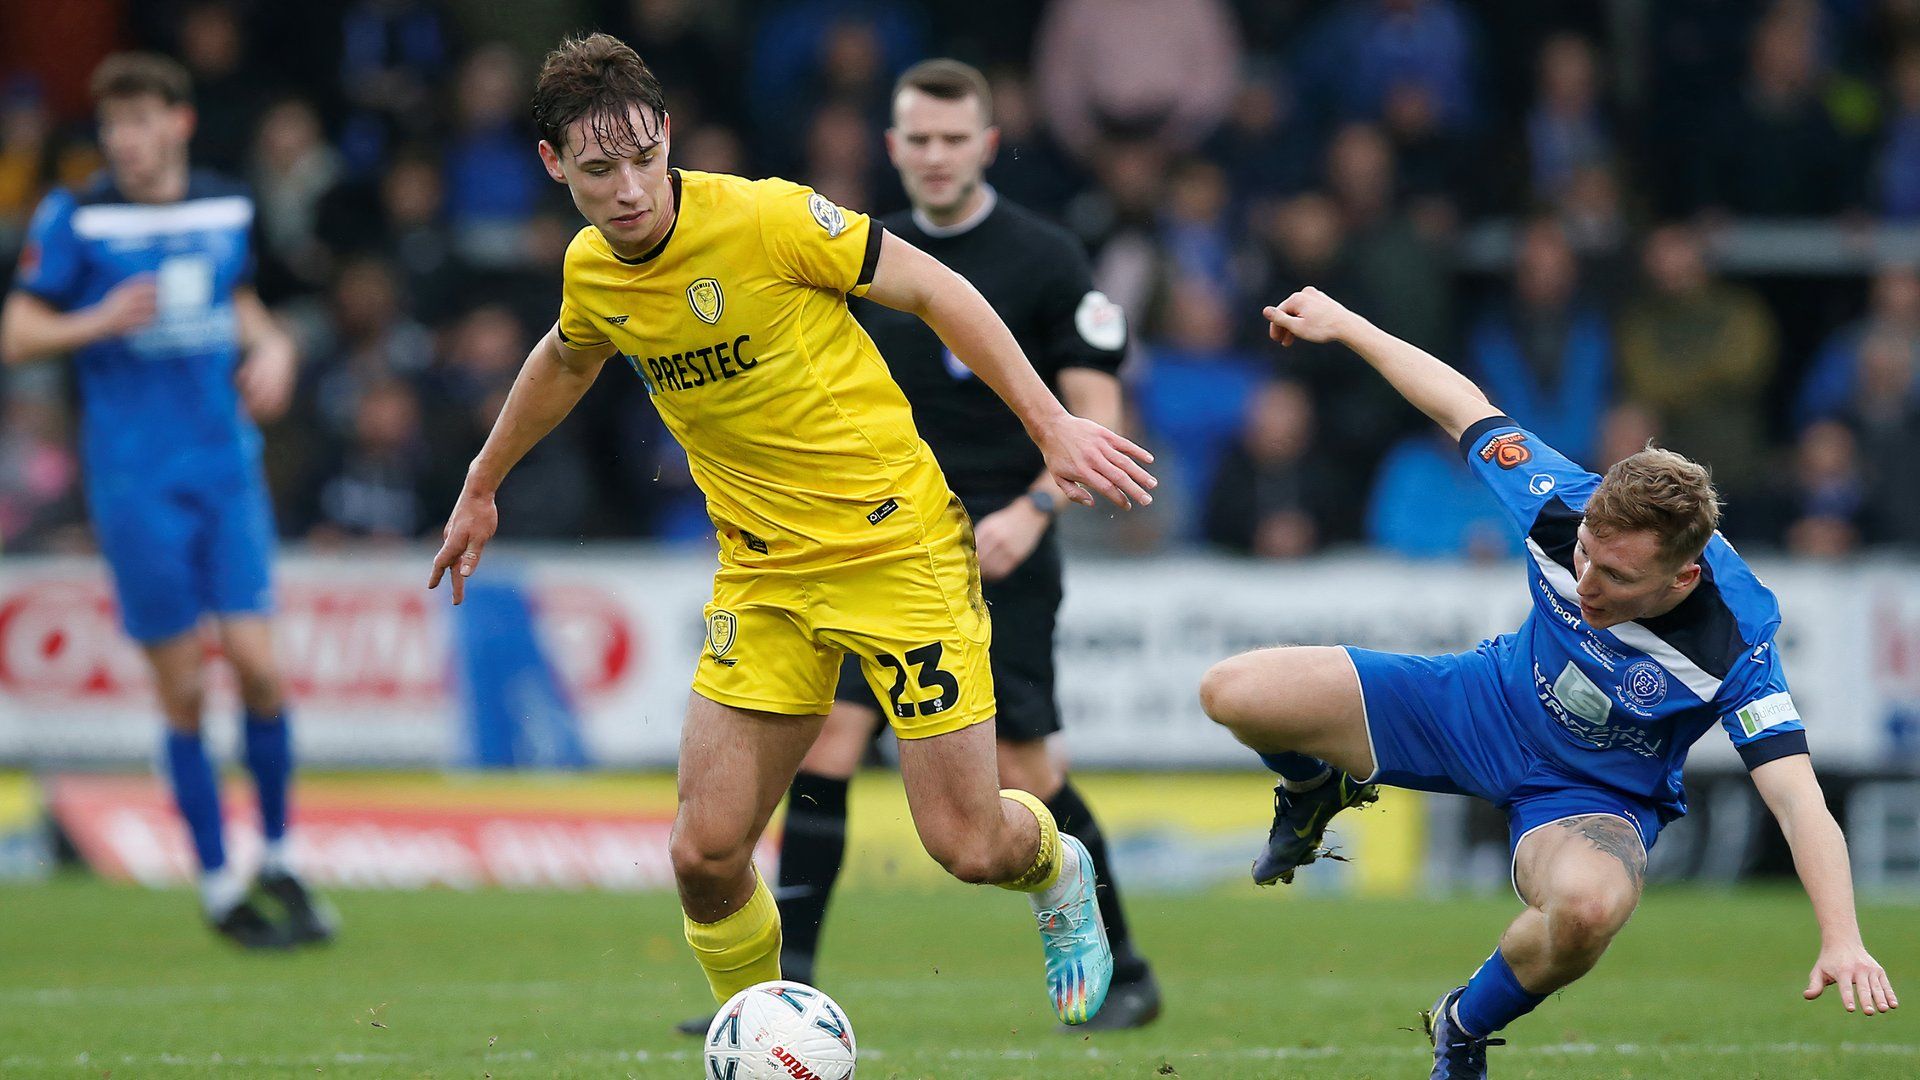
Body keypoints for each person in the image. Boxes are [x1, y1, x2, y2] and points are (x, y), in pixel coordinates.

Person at [427, 34, 1157, 1026]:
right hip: (764, 580)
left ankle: (1057, 867)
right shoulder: (592, 269)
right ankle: (765, 1036)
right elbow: (565, 356)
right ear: (555, 165)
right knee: (704, 852)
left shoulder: (768, 218)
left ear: (668, 135)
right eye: (599, 170)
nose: (629, 189)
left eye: (644, 158)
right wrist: (483, 482)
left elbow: (936, 288)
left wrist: (1050, 425)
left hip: (897, 553)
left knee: (968, 845)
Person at [1201, 287, 1899, 1077]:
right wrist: (1347, 324)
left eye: (1618, 575)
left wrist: (1843, 937)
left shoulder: (1733, 643)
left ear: (1682, 578)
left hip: (1590, 795)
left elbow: (1799, 801)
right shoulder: (1557, 499)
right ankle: (1313, 789)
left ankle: (1463, 1025)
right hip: (1479, 703)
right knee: (1232, 692)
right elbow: (1460, 403)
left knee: (1588, 911)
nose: (1588, 582)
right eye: (1585, 556)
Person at [671, 58, 1159, 1037]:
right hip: (872, 540)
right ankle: (785, 988)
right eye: (918, 140)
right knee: (830, 741)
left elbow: (1094, 406)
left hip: (1004, 538)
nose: (935, 156)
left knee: (1024, 772)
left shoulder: (1045, 257)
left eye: (954, 139)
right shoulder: (856, 250)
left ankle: (1126, 965)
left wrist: (1034, 509)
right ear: (893, 148)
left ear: (987, 145)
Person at [0, 54, 331, 949]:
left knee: (260, 668)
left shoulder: (224, 206)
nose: (126, 140)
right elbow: (18, 331)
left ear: (178, 123)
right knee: (183, 686)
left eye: (141, 121)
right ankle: (221, 885)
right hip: (134, 481)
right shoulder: (76, 216)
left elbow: (238, 298)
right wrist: (95, 321)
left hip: (224, 467)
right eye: (114, 125)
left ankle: (280, 856)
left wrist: (275, 348)